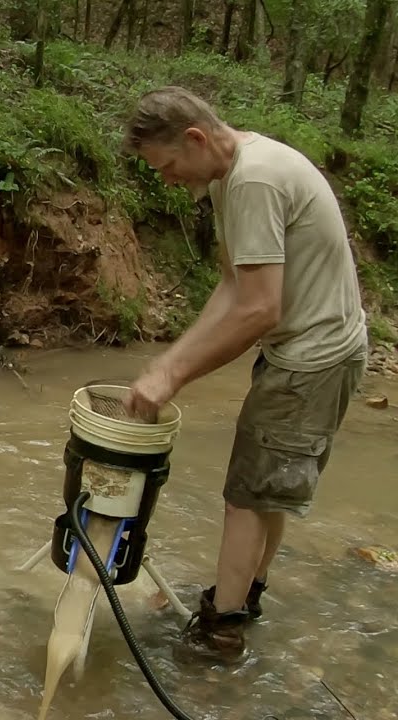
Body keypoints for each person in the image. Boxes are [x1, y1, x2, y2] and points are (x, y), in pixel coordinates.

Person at [120, 86, 368, 662]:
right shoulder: (235, 175)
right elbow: (234, 288)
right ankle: (245, 597)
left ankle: (219, 634)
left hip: (314, 357)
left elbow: (260, 309)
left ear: (196, 138)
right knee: (265, 492)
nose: (168, 181)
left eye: (169, 166)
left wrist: (174, 375)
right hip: (306, 351)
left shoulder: (253, 181)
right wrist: (167, 363)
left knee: (245, 497)